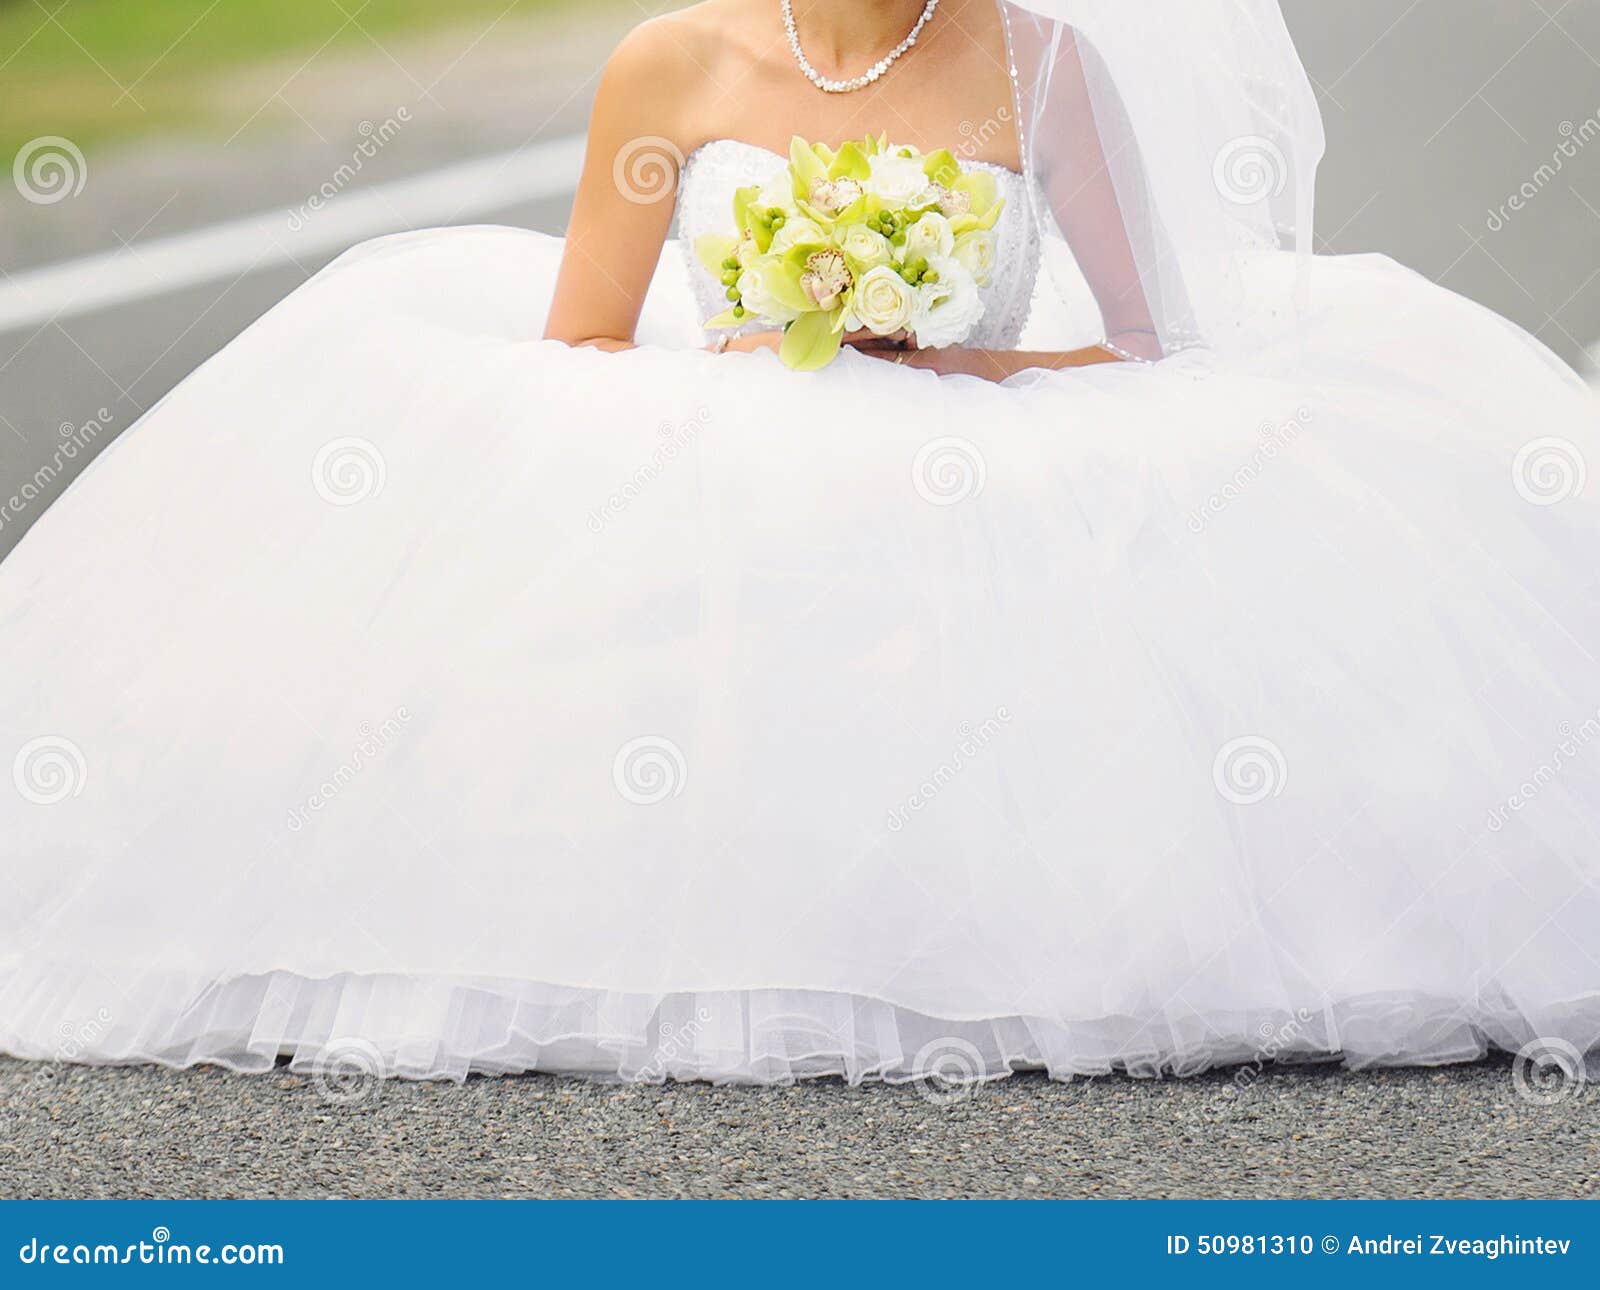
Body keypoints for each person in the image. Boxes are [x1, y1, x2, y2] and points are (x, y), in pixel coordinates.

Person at [1, 0, 1596, 1088]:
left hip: (969, 469)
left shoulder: (1042, 62)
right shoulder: (672, 61)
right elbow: (583, 347)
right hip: (737, 466)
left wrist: (953, 356)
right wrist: (764, 351)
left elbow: (1142, 346)